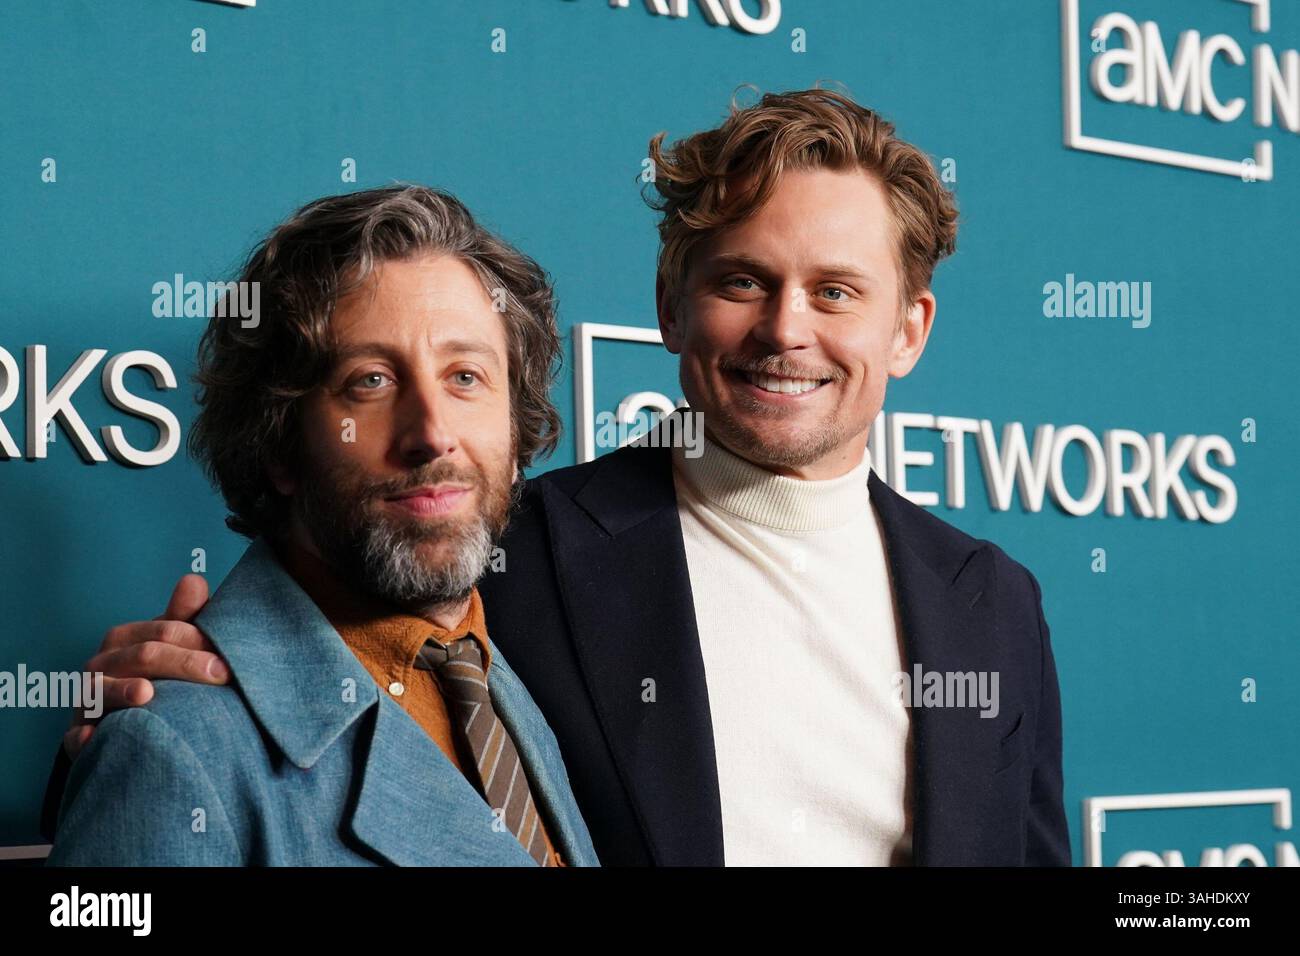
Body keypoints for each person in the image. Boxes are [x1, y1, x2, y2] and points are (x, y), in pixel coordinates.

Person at [45, 88, 1069, 866]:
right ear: (672, 305)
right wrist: (148, 724)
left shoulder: (995, 604)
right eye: (743, 280)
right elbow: (303, 676)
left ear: (908, 329)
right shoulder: (504, 545)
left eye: (836, 290)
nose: (785, 329)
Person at [45, 186, 598, 866]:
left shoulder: (499, 679)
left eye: (465, 376)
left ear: (516, 436)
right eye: (370, 381)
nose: (432, 433)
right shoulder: (175, 742)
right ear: (280, 444)